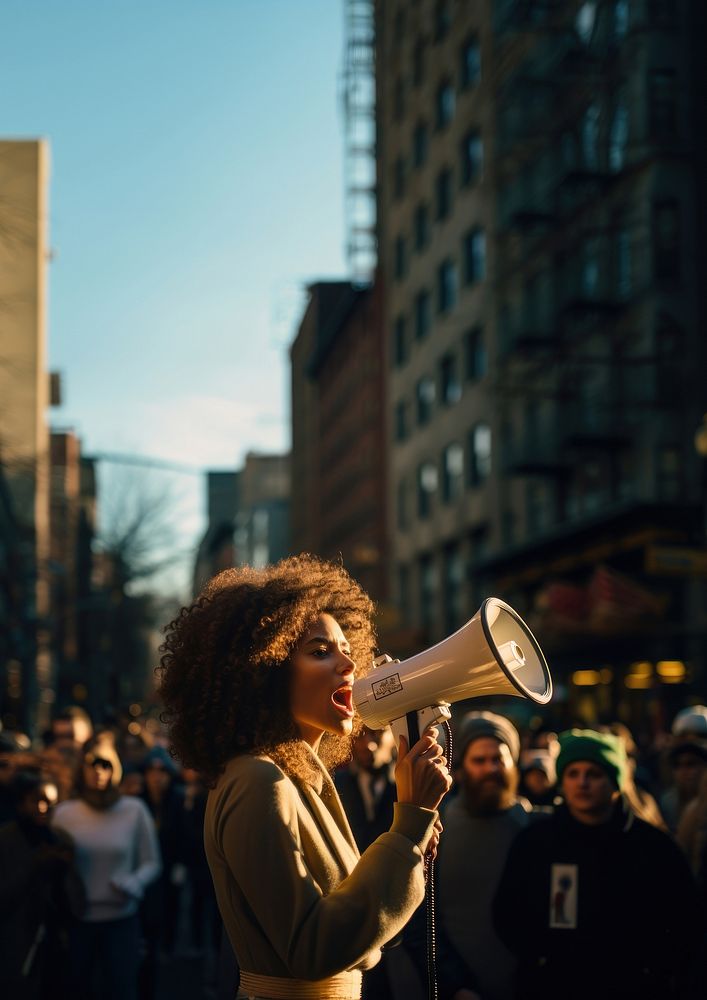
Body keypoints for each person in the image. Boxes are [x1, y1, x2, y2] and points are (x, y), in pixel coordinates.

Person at [157, 555, 451, 1000]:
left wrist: (407, 842)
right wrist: (409, 822)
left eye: (347, 651)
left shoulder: (299, 779)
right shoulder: (259, 781)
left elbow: (363, 941)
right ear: (264, 669)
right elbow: (315, 949)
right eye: (319, 651)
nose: (349, 666)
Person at [493, 729, 701, 1000]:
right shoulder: (535, 843)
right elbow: (508, 913)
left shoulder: (654, 847)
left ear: (614, 782)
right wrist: (542, 958)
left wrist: (652, 972)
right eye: (573, 773)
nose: (582, 783)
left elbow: (684, 923)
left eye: (593, 774)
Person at [431, 711, 534, 1000]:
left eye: (498, 759)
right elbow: (423, 919)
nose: (490, 768)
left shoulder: (533, 827)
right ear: (461, 767)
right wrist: (455, 983)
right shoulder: (438, 827)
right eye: (479, 760)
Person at [52, 733, 161, 1000]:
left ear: (116, 768)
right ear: (82, 768)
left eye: (106, 764)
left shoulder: (133, 810)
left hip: (121, 919)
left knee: (121, 989)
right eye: (92, 764)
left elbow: (152, 862)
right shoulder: (65, 814)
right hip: (78, 919)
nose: (99, 771)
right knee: (75, 989)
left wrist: (135, 881)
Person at [0, 769, 85, 998]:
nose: (43, 808)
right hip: (16, 941)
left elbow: (77, 900)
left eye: (50, 802)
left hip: (55, 940)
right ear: (21, 803)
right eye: (36, 801)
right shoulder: (6, 840)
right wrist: (34, 866)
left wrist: (64, 870)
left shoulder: (60, 838)